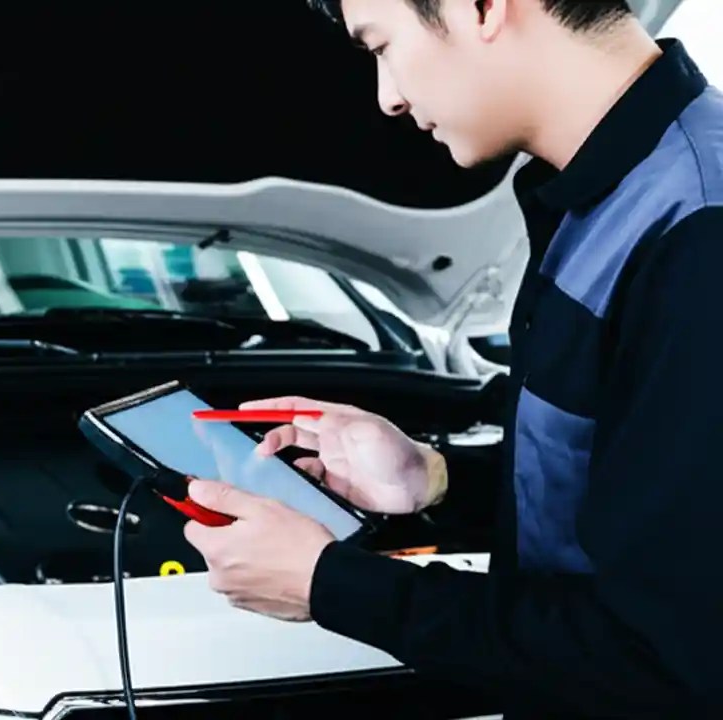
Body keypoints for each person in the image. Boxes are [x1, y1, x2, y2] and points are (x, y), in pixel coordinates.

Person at [180, 0, 723, 716]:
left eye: (382, 45)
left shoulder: (699, 237)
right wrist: (434, 477)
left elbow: (672, 664)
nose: (388, 96)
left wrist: (329, 585)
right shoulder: (617, 199)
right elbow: (627, 489)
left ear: (483, 7)